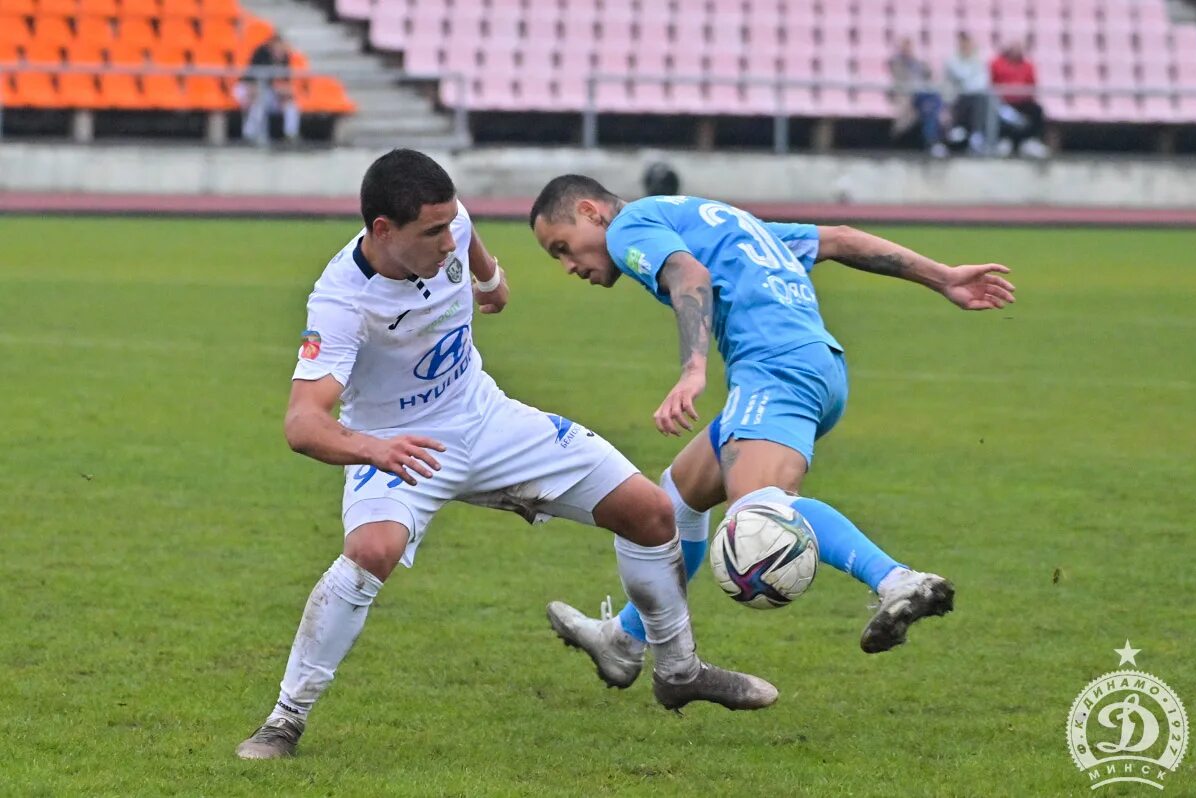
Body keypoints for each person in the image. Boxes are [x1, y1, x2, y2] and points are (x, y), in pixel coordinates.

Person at [234, 151, 777, 760]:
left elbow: (468, 236)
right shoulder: (339, 303)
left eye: (450, 223)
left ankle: (679, 673)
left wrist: (489, 281)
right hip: (399, 445)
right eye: (432, 232)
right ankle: (285, 721)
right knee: (371, 551)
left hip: (487, 418)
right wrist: (373, 448)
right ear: (383, 231)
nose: (449, 237)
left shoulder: (450, 224)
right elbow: (302, 423)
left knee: (650, 512)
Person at [528, 177, 1015, 690]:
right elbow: (842, 239)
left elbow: (687, 274)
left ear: (591, 212)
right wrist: (943, 278)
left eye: (563, 247)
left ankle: (898, 581)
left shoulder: (629, 226)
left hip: (775, 372)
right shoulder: (715, 220)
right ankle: (624, 640)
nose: (568, 266)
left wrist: (693, 369)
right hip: (814, 366)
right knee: (677, 502)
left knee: (761, 509)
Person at [236, 33, 300, 146]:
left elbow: (284, 83)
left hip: (268, 92)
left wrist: (284, 94)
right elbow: (252, 82)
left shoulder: (284, 58)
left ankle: (290, 135)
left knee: (291, 106)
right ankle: (249, 136)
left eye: (282, 46)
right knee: (259, 105)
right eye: (278, 46)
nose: (280, 49)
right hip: (247, 88)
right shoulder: (261, 54)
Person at [888, 37, 947, 157]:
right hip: (909, 95)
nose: (907, 50)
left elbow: (929, 75)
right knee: (931, 105)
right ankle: (934, 141)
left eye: (909, 47)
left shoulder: (917, 62)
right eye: (905, 47)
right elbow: (902, 81)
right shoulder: (897, 63)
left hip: (921, 96)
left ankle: (931, 141)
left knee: (931, 105)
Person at [990, 41, 1049, 159]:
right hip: (1004, 102)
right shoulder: (998, 63)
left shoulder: (1028, 66)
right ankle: (1003, 140)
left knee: (1037, 110)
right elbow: (994, 83)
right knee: (1000, 113)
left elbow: (1031, 85)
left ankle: (1031, 141)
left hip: (1023, 102)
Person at [944, 32, 992, 154]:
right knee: (971, 99)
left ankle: (976, 134)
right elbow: (961, 76)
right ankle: (963, 131)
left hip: (975, 97)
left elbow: (982, 82)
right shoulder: (952, 60)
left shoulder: (978, 60)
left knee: (981, 100)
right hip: (957, 97)